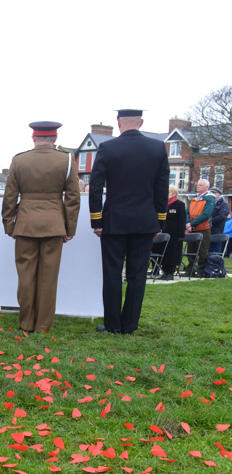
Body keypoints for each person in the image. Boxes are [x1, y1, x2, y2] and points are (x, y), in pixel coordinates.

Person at [89, 109, 168, 334]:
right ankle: (130, 324)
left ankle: (113, 324)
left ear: (118, 123)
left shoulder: (107, 148)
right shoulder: (156, 148)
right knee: (137, 275)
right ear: (140, 122)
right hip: (144, 221)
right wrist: (159, 221)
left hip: (114, 220)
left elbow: (95, 186)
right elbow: (162, 188)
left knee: (112, 273)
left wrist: (97, 220)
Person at [2, 122, 80, 333]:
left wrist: (9, 224)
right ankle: (43, 324)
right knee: (48, 277)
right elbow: (73, 198)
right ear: (54, 139)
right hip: (54, 226)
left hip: (25, 225)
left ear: (34, 138)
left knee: (26, 276)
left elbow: (9, 196)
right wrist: (70, 228)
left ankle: (26, 322)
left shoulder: (19, 160)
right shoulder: (66, 160)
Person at [184, 178, 214, 276]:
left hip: (204, 229)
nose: (198, 186)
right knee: (190, 250)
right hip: (192, 228)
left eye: (200, 185)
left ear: (206, 187)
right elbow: (187, 212)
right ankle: (190, 270)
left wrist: (192, 224)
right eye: (198, 184)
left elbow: (206, 214)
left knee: (203, 251)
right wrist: (188, 223)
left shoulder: (209, 198)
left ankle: (202, 271)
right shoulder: (194, 197)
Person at [159, 185, 187, 280]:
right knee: (164, 252)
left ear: (173, 193)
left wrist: (181, 235)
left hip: (175, 234)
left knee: (172, 254)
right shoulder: (164, 204)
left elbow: (182, 220)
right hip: (164, 233)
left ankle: (170, 272)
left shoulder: (179, 204)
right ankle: (164, 271)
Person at [209, 187, 230, 253]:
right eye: (211, 193)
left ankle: (216, 262)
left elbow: (222, 216)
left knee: (215, 250)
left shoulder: (224, 204)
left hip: (217, 230)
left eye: (214, 193)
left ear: (219, 195)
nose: (212, 194)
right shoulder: (210, 204)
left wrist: (210, 221)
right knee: (207, 250)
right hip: (208, 229)